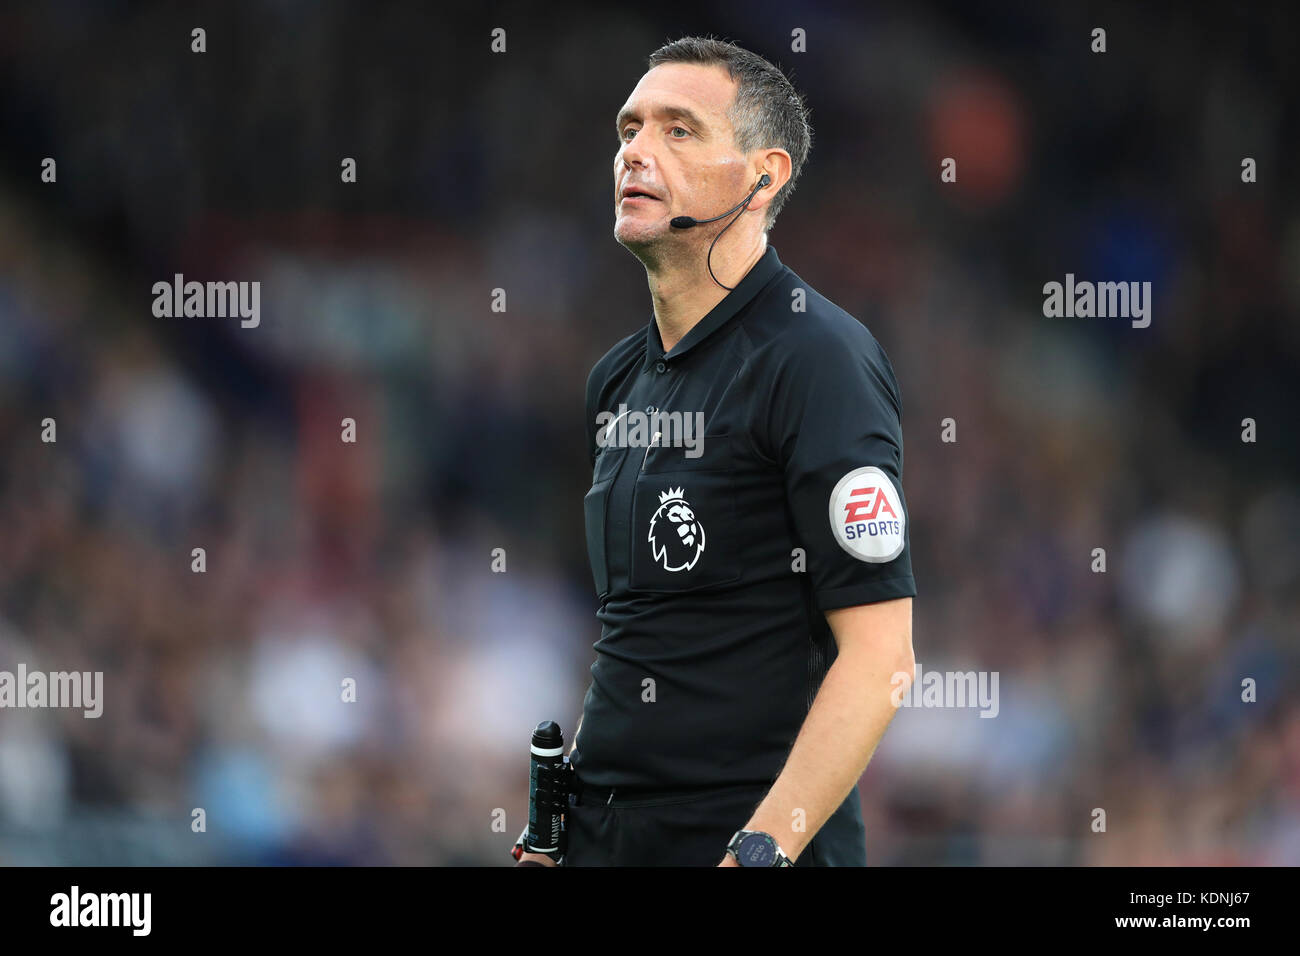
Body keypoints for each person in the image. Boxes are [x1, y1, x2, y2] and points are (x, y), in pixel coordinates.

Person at [518, 35, 915, 868]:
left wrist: (766, 846)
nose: (635, 150)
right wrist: (562, 828)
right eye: (630, 129)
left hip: (749, 840)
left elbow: (882, 655)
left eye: (679, 130)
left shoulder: (817, 359)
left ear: (763, 177)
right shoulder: (617, 381)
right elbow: (636, 635)